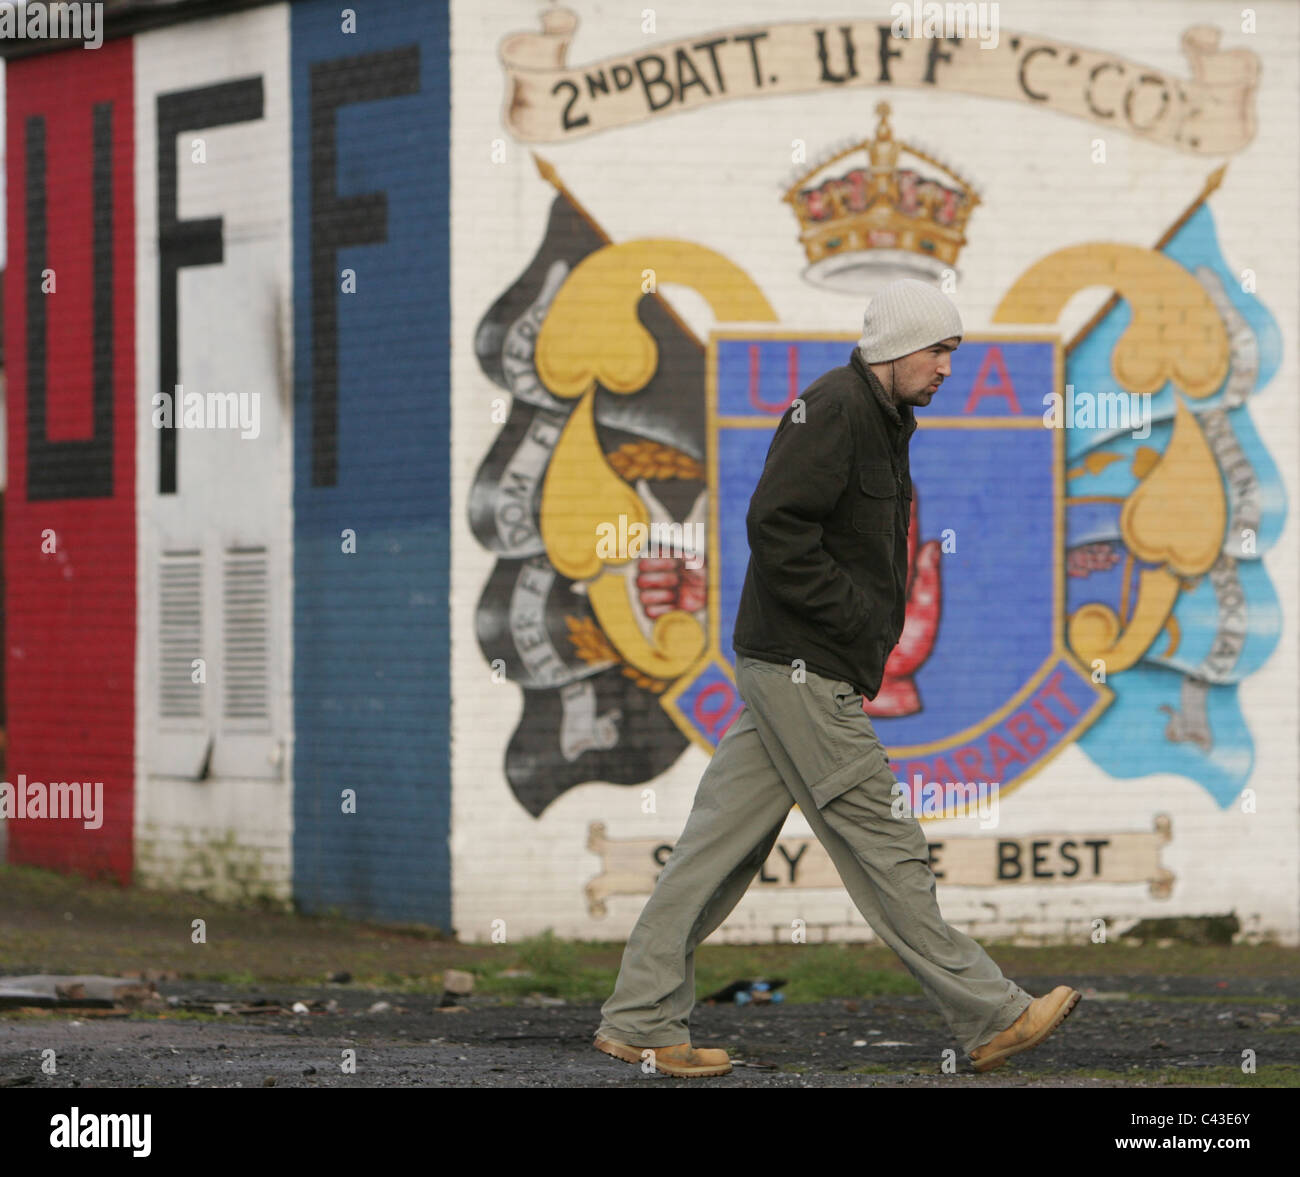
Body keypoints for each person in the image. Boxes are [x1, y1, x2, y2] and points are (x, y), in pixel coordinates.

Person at [593, 278, 1079, 1078]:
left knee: (715, 850)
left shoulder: (882, 419)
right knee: (886, 844)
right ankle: (992, 1015)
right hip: (804, 669)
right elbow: (774, 524)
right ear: (893, 349)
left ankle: (641, 1018)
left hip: (793, 666)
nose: (947, 367)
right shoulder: (837, 409)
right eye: (937, 350)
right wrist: (852, 619)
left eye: (953, 351)